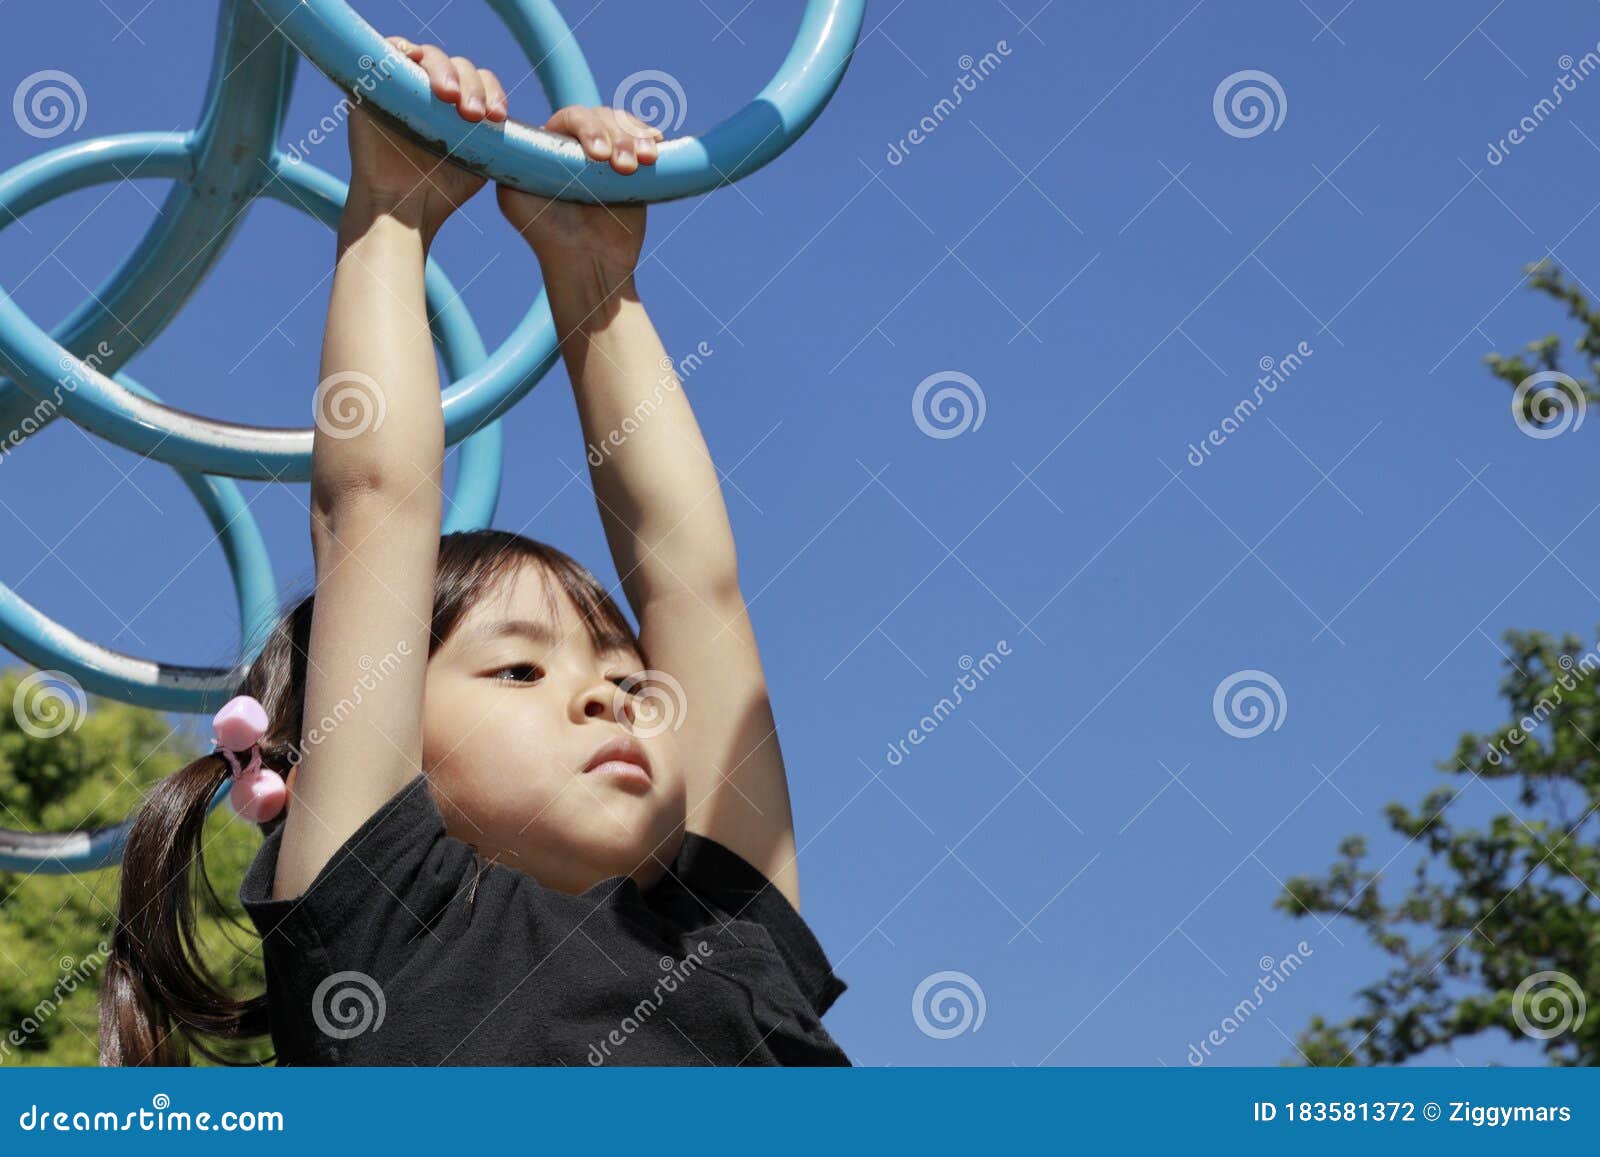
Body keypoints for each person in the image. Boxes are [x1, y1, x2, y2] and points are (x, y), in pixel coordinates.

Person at [99, 36, 848, 1067]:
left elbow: (693, 586)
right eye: (519, 669)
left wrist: (595, 277)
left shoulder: (732, 946)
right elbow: (377, 503)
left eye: (632, 681)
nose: (611, 699)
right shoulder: (389, 933)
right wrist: (392, 207)